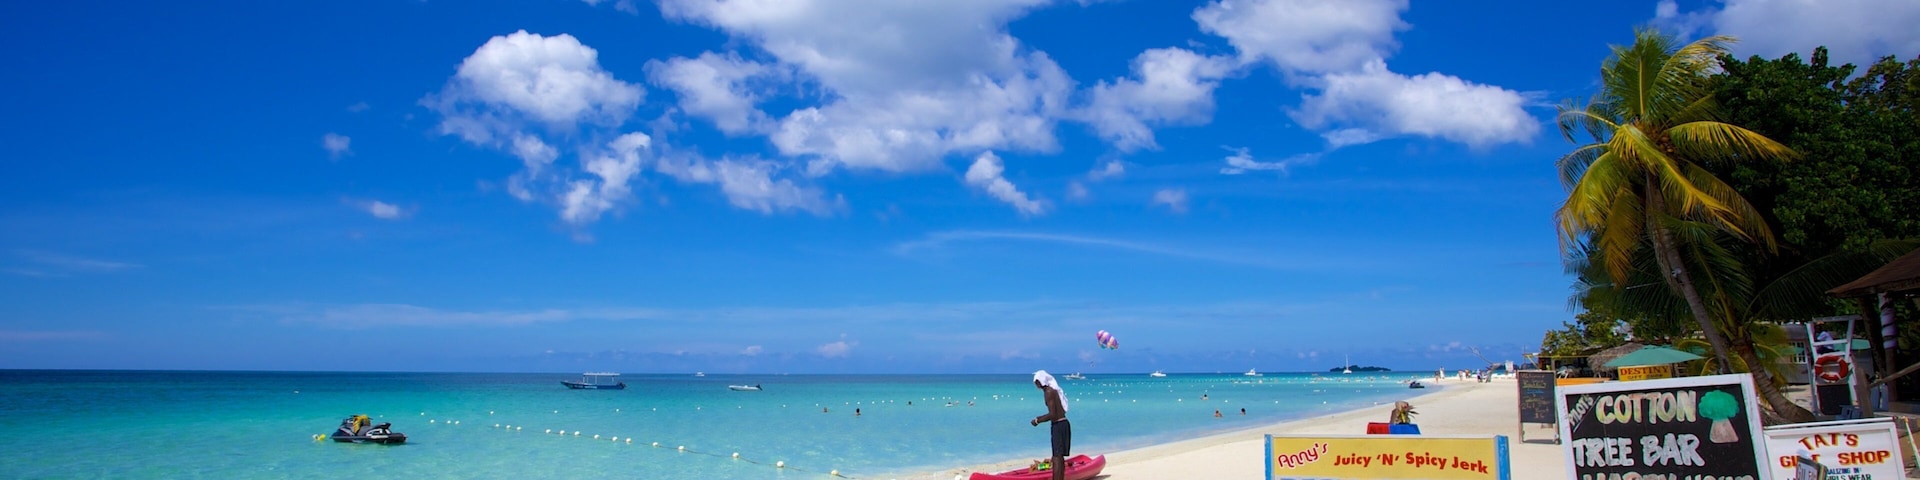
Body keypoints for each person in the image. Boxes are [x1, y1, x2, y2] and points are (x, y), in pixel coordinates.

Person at [1029, 370, 1070, 480]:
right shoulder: (1054, 391)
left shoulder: (1048, 392)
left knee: (1056, 457)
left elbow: (1053, 414)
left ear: (1041, 381)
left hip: (1058, 425)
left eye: (1036, 382)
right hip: (1064, 423)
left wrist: (1037, 420)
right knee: (1059, 457)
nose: (1035, 384)